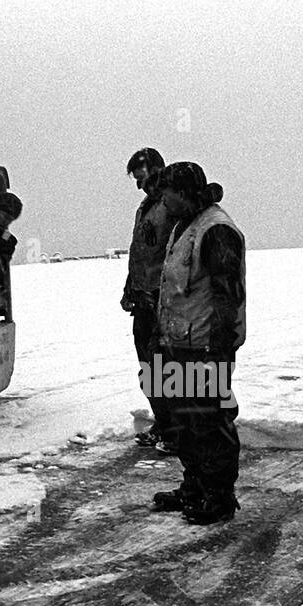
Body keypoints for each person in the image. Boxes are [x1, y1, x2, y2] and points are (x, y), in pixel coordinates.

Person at [149, 162, 246, 525]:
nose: (162, 201)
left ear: (183, 192)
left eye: (167, 194)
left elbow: (227, 296)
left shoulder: (216, 230)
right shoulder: (184, 225)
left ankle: (219, 496)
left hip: (205, 345)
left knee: (209, 421)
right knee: (182, 422)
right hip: (178, 342)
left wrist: (218, 350)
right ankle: (195, 486)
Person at [122, 148, 176, 451]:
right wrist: (130, 287)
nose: (139, 184)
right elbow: (139, 251)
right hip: (143, 299)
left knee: (166, 366)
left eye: (141, 176)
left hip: (163, 299)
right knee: (149, 368)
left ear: (155, 169)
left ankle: (175, 429)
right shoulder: (146, 207)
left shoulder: (170, 206)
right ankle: (164, 422)